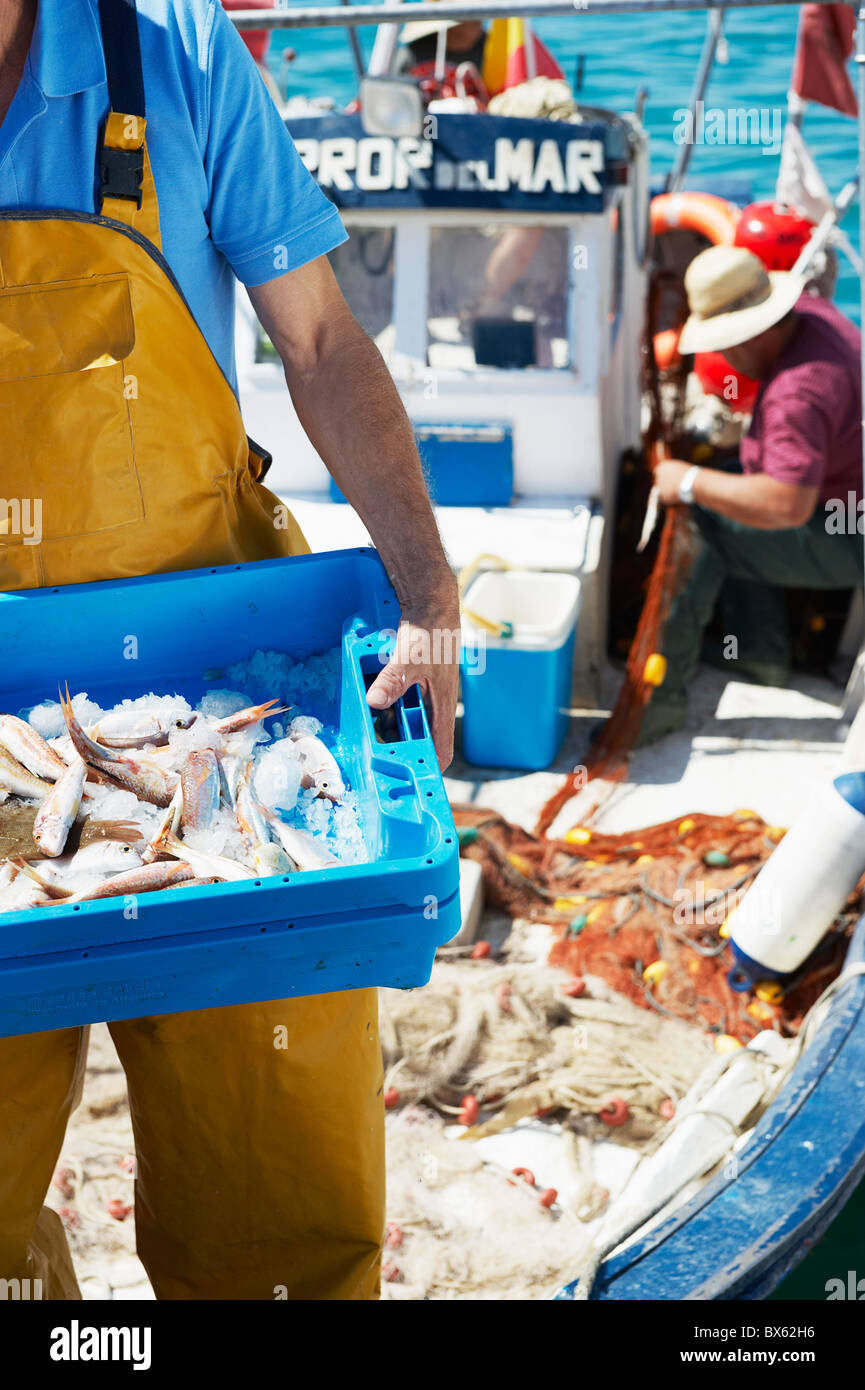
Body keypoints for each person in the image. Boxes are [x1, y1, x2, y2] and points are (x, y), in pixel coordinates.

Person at [0, 0, 458, 1300]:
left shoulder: (180, 52)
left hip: (213, 704)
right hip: (9, 772)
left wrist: (426, 588)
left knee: (278, 1228)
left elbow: (316, 338)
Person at [643, 243, 863, 744]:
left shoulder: (796, 394)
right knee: (728, 488)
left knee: (701, 521)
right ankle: (759, 655)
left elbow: (787, 505)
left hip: (849, 533)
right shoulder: (812, 314)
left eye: (727, 343)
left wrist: (687, 481)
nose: (725, 354)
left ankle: (661, 703)